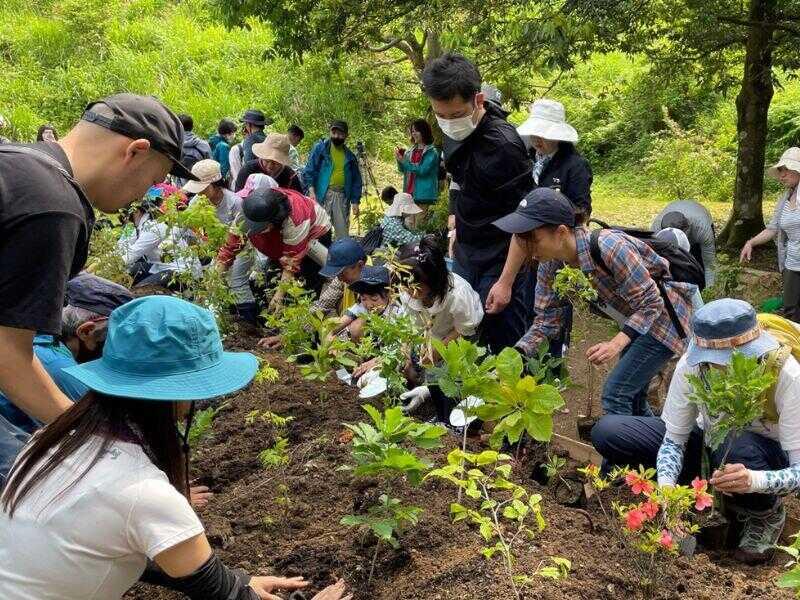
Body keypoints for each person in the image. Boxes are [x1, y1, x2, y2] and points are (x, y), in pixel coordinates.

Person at [0, 295, 351, 600]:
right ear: (182, 396)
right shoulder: (142, 490)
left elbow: (112, 547)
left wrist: (236, 581)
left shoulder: (52, 441)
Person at [0, 92, 193, 482]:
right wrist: (96, 439)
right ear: (135, 151)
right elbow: (7, 354)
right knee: (34, 498)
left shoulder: (18, 163)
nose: (143, 195)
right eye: (153, 180)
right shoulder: (53, 206)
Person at [592, 299, 800, 565]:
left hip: (759, 461)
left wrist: (754, 481)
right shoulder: (693, 364)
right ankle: (695, 501)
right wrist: (667, 492)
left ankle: (764, 514)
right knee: (608, 431)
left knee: (736, 445)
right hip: (708, 448)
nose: (721, 367)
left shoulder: (788, 375)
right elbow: (673, 441)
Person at [496, 187, 695, 417]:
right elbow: (547, 321)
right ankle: (654, 449)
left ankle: (625, 451)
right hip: (636, 322)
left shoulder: (609, 247)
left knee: (616, 394)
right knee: (634, 400)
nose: (529, 251)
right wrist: (514, 357)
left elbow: (651, 302)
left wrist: (615, 344)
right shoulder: (550, 266)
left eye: (533, 240)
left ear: (561, 232)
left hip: (665, 321)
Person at [421, 53, 534, 354]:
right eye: (440, 115)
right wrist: (454, 224)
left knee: (499, 343)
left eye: (456, 115)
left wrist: (507, 280)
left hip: (501, 254)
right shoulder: (451, 130)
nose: (448, 123)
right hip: (467, 250)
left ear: (478, 100)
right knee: (464, 328)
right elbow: (459, 180)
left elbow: (527, 217)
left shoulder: (504, 146)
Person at [217, 187, 332, 302]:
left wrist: (279, 297)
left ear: (274, 221)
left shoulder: (296, 220)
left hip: (314, 235)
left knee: (305, 286)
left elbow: (291, 263)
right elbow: (229, 248)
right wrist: (214, 282)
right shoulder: (250, 211)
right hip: (282, 240)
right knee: (272, 281)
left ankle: (306, 313)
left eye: (260, 229)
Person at [258, 237, 367, 349]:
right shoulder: (342, 282)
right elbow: (321, 306)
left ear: (360, 265)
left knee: (358, 326)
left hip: (373, 341)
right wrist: (286, 337)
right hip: (348, 323)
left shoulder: (379, 284)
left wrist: (334, 343)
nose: (339, 278)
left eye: (342, 273)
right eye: (337, 274)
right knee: (326, 319)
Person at [741, 147, 800, 321]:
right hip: (792, 263)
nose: (782, 175)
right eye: (780, 171)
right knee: (791, 311)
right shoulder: (785, 198)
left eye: (786, 170)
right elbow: (773, 229)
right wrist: (750, 243)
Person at [516, 98, 592, 222]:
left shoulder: (575, 166)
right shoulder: (527, 158)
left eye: (542, 135)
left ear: (558, 136)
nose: (536, 140)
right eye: (533, 134)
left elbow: (582, 211)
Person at [117, 190, 201, 288]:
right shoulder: (139, 225)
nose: (123, 218)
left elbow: (131, 254)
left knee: (140, 291)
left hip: (181, 272)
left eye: (124, 214)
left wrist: (103, 265)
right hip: (162, 267)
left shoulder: (152, 226)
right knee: (133, 271)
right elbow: (123, 245)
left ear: (136, 211)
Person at [304, 120, 363, 239]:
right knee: (318, 230)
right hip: (322, 194)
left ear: (346, 135)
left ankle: (340, 254)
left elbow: (357, 180)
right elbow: (309, 170)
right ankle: (319, 256)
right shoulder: (321, 149)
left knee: (342, 232)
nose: (336, 136)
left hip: (341, 196)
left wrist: (355, 201)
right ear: (330, 132)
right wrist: (311, 191)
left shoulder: (350, 156)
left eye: (340, 134)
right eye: (334, 132)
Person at [653, 199, 716, 287]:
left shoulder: (702, 229)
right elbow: (654, 263)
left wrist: (709, 291)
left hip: (699, 217)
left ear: (687, 229)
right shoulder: (656, 229)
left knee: (698, 266)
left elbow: (709, 265)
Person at [395, 119, 440, 222]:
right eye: (412, 131)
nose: (413, 133)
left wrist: (405, 162)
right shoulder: (410, 151)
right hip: (410, 195)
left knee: (419, 227)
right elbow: (403, 170)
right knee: (408, 225)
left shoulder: (432, 152)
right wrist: (399, 160)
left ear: (424, 132)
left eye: (416, 131)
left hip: (423, 196)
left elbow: (422, 170)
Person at [235, 133, 304, 194]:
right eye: (267, 161)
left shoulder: (290, 176)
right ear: (262, 156)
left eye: (275, 163)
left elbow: (298, 200)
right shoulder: (248, 170)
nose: (270, 166)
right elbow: (238, 195)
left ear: (282, 161)